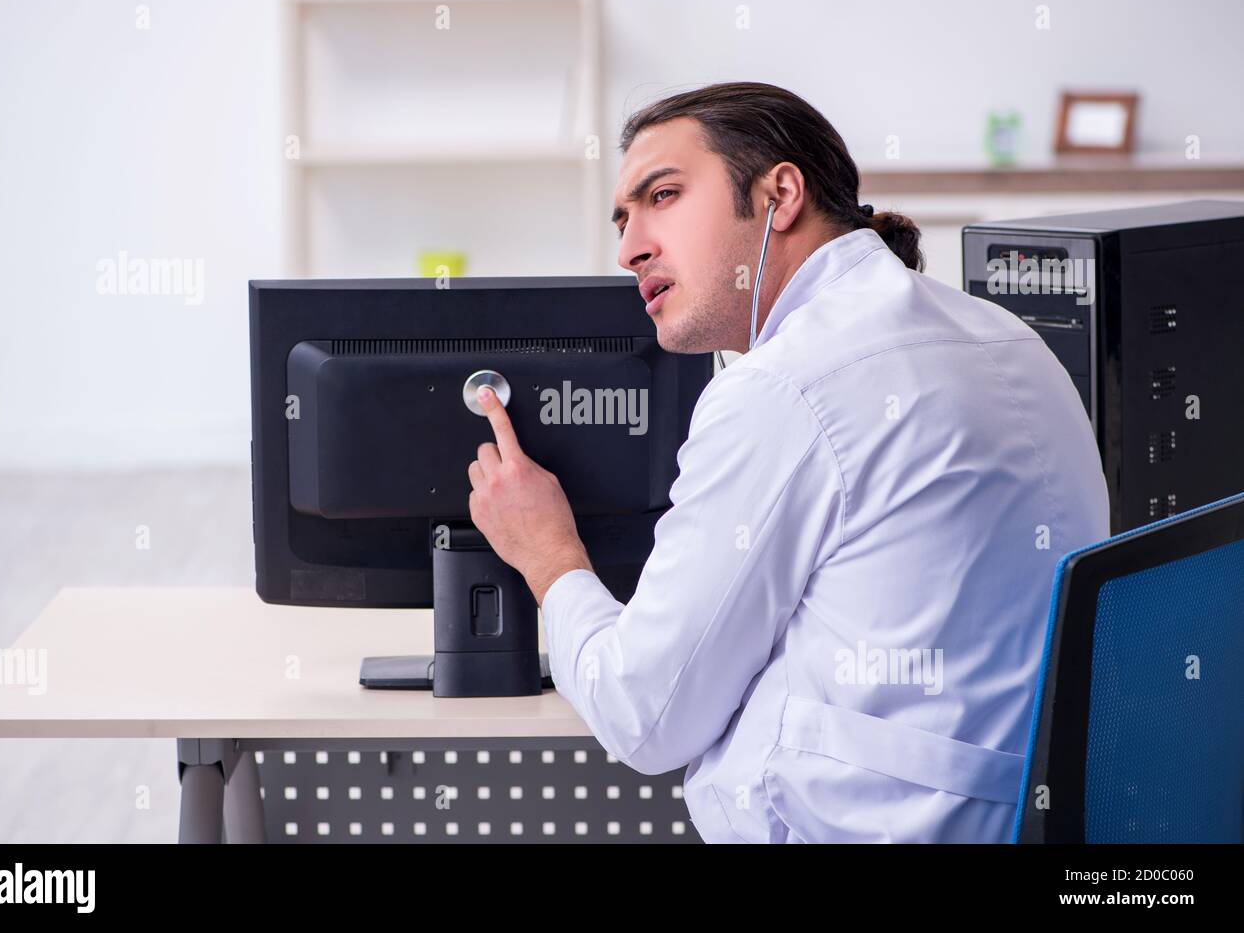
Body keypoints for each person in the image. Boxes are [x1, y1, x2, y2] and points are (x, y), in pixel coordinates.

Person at [464, 81, 1110, 842]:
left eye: (662, 195)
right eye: (622, 219)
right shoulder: (1007, 334)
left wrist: (549, 554)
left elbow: (642, 719)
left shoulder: (786, 384)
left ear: (781, 194)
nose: (629, 246)